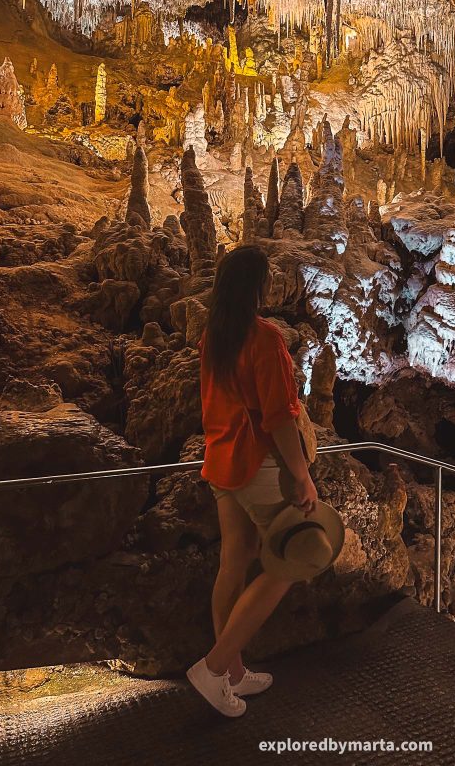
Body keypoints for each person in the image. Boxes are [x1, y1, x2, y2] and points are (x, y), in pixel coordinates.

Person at [186, 244, 319, 717]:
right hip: (256, 465)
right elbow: (279, 418)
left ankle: (234, 673)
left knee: (235, 561)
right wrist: (301, 476)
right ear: (256, 287)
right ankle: (215, 666)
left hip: (220, 462)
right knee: (295, 558)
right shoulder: (263, 339)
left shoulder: (214, 336)